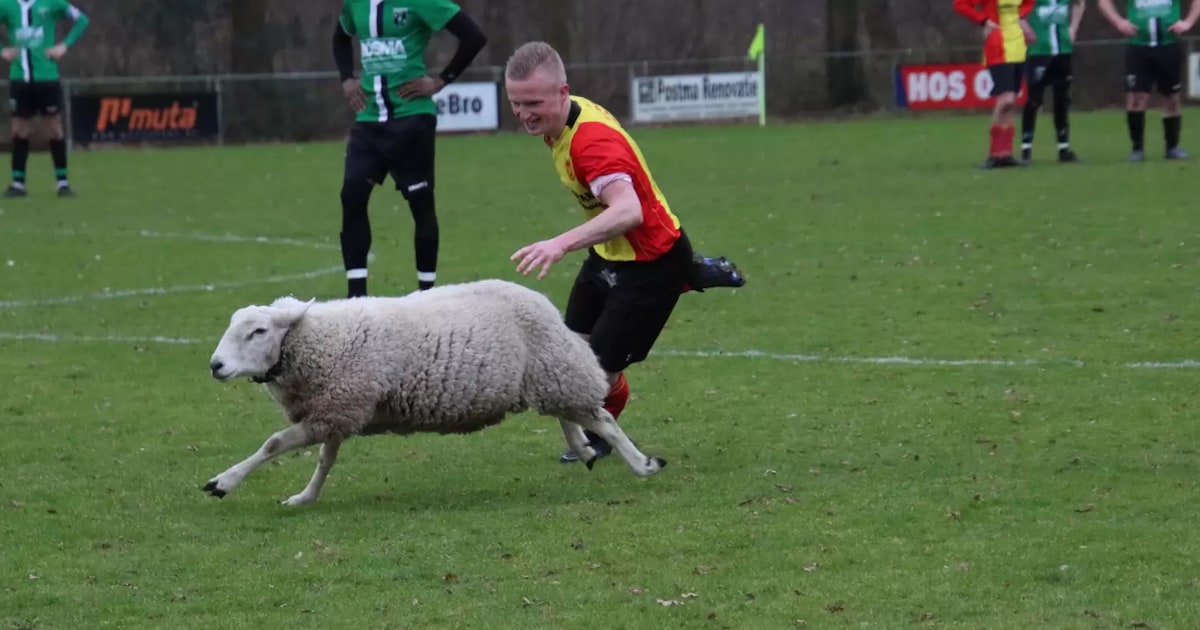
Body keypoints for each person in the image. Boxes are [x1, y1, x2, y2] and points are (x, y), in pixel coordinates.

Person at [503, 41, 747, 464]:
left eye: (534, 102)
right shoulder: (563, 118)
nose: (524, 113)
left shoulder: (590, 144)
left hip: (650, 264)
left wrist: (560, 243)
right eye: (516, 102)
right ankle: (694, 271)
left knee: (595, 375)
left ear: (563, 93)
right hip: (610, 252)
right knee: (571, 352)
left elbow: (629, 210)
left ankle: (600, 437)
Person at [332, 0, 486, 298]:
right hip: (368, 122)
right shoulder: (355, 4)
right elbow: (340, 36)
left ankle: (426, 295)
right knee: (352, 195)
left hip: (411, 122)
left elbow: (473, 36)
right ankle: (356, 298)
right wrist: (346, 79)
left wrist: (442, 80)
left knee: (421, 206)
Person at [0, 0, 88, 198]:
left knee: (54, 128)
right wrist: (2, 50)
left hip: (46, 77)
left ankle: (62, 183)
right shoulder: (6, 5)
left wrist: (64, 46)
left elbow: (82, 20)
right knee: (19, 129)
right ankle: (18, 184)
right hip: (19, 79)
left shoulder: (51, 3)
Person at [1098, 0, 1200, 161]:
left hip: (1168, 45)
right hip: (1139, 47)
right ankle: (1137, 149)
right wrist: (1119, 22)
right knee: (1137, 97)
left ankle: (1172, 147)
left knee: (1171, 97)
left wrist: (1188, 22)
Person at [953, 0, 1036, 169]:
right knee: (1005, 99)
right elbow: (960, 4)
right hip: (998, 47)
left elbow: (1029, 3)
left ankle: (1005, 153)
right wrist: (984, 20)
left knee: (1012, 101)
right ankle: (994, 152)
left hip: (1018, 46)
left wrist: (1021, 17)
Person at [1020, 0, 1085, 163]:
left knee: (1061, 99)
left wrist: (1073, 27)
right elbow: (1014, 9)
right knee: (1034, 100)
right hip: (1039, 51)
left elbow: (1080, 3)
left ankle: (1064, 149)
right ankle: (1026, 150)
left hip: (1063, 50)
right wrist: (1025, 27)